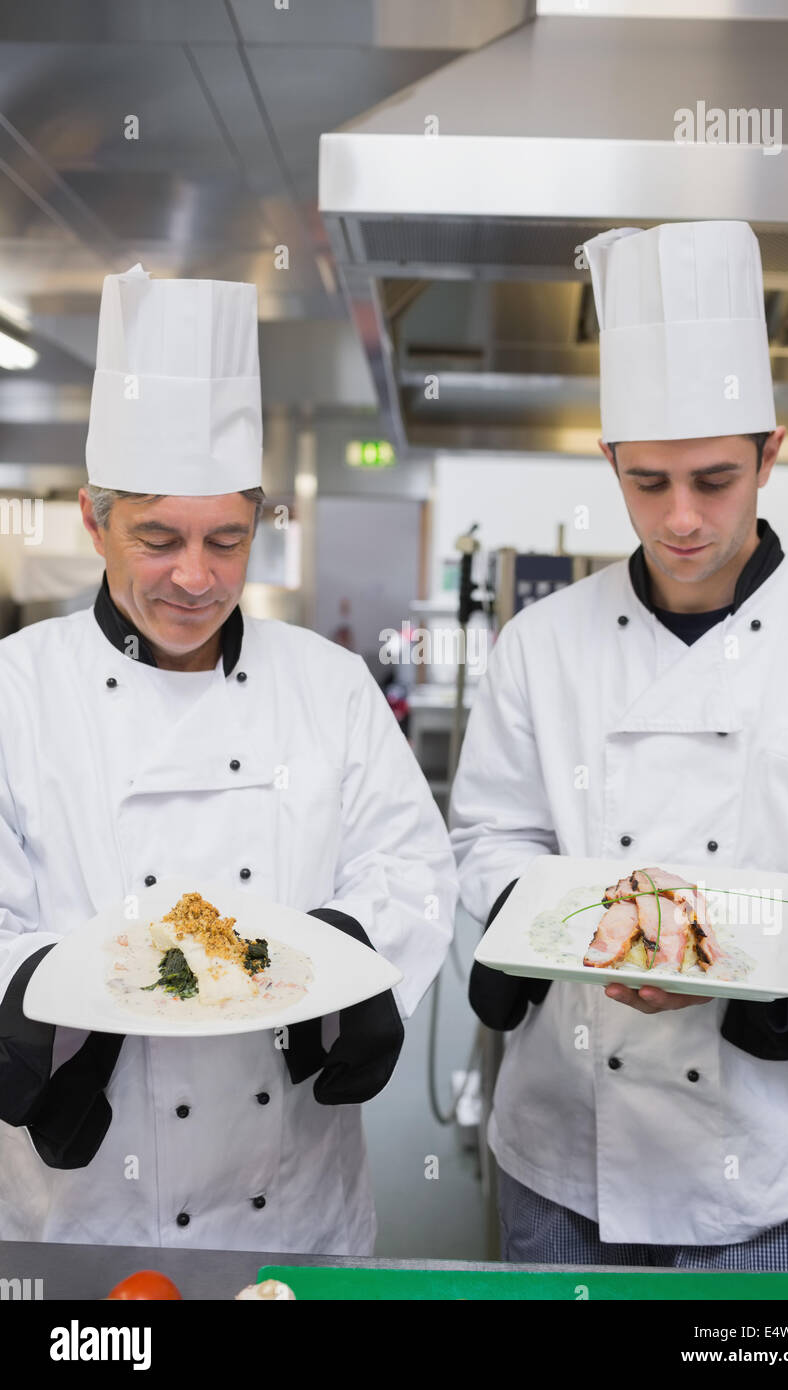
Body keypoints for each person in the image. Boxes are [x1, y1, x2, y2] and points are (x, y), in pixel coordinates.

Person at [0, 262, 457, 1252]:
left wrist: (360, 959)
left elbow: (410, 863)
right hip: (82, 1202)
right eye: (159, 537)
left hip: (289, 1191)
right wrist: (22, 992)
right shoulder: (16, 691)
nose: (196, 577)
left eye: (227, 539)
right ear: (93, 516)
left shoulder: (328, 685)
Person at [449, 221, 788, 1270]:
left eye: (713, 479)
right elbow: (492, 833)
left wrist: (769, 975)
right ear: (609, 461)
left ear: (770, 455)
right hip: (562, 1160)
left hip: (780, 1173)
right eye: (646, 482)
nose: (679, 518)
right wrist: (555, 933)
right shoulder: (540, 642)